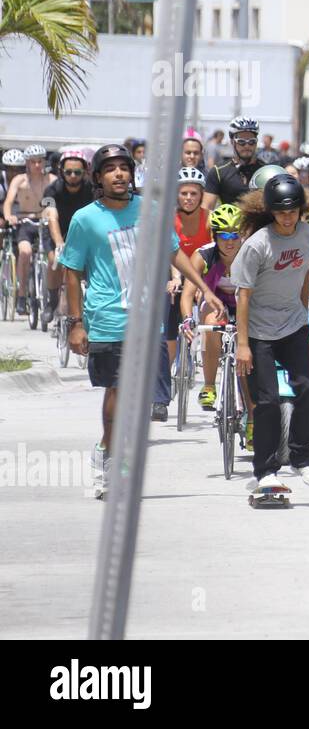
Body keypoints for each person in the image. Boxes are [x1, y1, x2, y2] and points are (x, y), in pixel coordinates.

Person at [62, 145, 221, 497]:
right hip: (106, 317)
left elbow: (173, 252)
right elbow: (71, 271)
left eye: (124, 168)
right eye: (110, 169)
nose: (119, 174)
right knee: (118, 391)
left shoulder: (150, 211)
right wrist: (76, 322)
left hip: (148, 318)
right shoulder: (85, 219)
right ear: (98, 177)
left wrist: (203, 291)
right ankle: (109, 452)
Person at [232, 174, 309, 493]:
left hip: (293, 325)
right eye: (282, 211)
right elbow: (242, 296)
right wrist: (243, 344)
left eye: (293, 211)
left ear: (301, 210)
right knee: (268, 402)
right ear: (272, 212)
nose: (288, 217)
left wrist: (304, 315)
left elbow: (303, 273)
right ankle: (266, 470)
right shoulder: (257, 245)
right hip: (258, 332)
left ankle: (301, 457)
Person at [182, 204, 245, 411]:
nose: (230, 242)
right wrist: (187, 319)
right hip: (214, 300)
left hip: (243, 300)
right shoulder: (203, 256)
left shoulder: (250, 253)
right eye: (224, 237)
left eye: (235, 236)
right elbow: (188, 294)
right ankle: (209, 385)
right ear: (215, 237)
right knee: (213, 324)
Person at [40, 148, 96, 325]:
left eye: (77, 172)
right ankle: (52, 301)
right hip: (56, 231)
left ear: (85, 172)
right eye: (68, 171)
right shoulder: (52, 190)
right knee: (55, 261)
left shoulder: (92, 190)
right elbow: (51, 216)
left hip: (83, 234)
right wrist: (58, 243)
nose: (73, 175)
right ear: (61, 172)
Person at [168, 167, 212, 371]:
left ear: (201, 195)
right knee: (170, 310)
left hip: (203, 275)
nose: (188, 198)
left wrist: (204, 285)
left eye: (193, 194)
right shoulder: (170, 219)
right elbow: (170, 252)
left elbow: (214, 253)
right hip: (175, 273)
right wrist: (176, 277)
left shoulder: (210, 219)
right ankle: (167, 368)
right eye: (183, 193)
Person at [3, 144, 54, 318]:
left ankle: (51, 294)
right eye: (33, 162)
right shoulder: (20, 180)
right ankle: (22, 295)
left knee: (53, 256)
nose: (37, 165)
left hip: (45, 222)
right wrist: (9, 216)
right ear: (27, 163)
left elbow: (57, 201)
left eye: (40, 161)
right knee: (24, 252)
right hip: (25, 221)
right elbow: (9, 201)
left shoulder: (52, 179)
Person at [203, 116, 263, 209]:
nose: (247, 146)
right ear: (232, 142)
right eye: (241, 142)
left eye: (251, 142)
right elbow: (206, 208)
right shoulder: (218, 172)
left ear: (257, 142)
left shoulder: (266, 170)